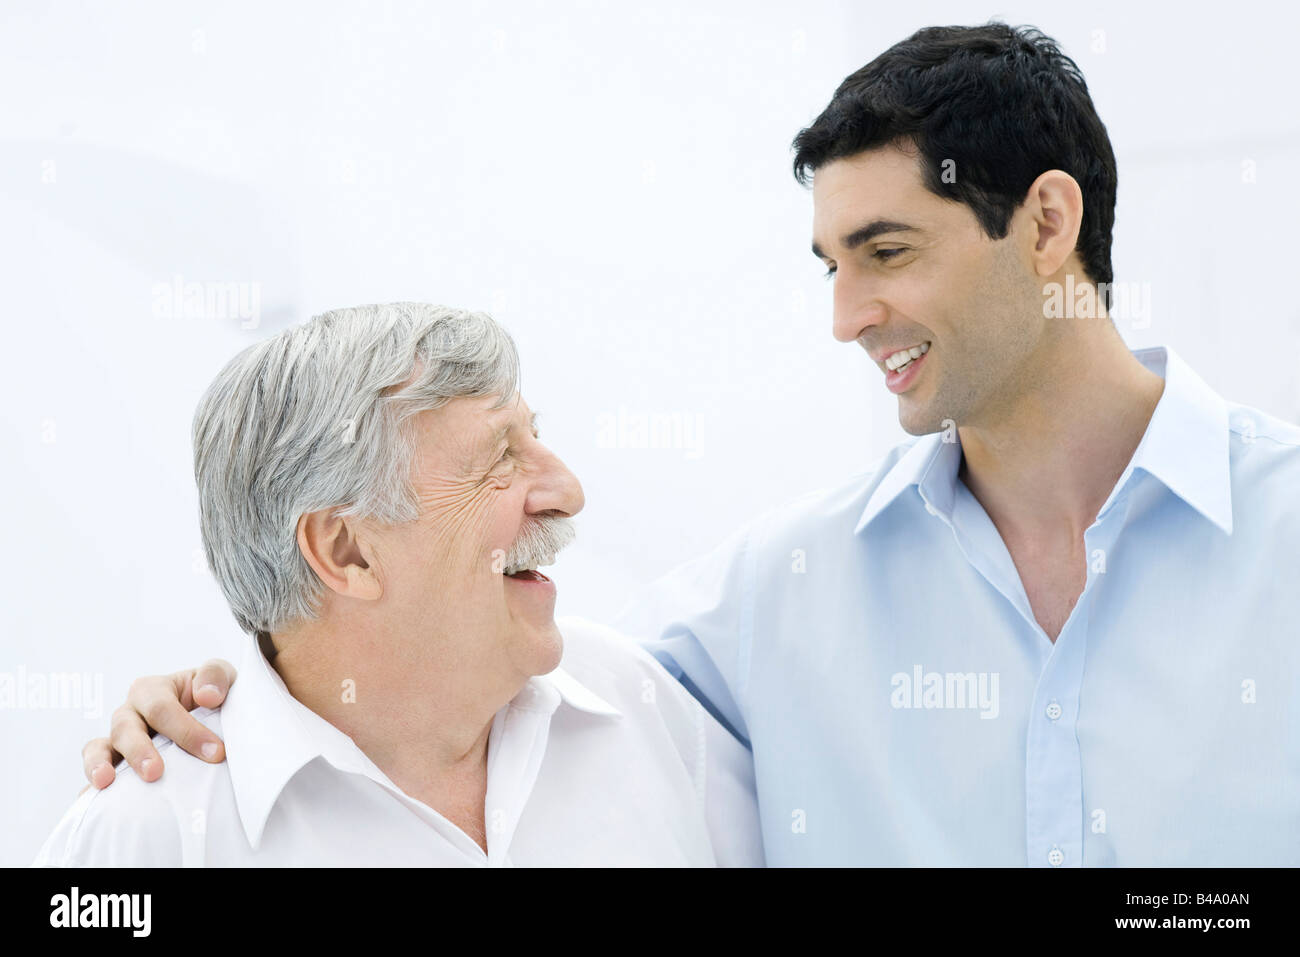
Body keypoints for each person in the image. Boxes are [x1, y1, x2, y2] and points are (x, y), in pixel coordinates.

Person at [77, 23, 1300, 865]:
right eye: (829, 267)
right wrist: (235, 690)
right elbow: (433, 653)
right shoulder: (770, 599)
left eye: (885, 253)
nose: (843, 318)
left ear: (1044, 221)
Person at [35, 302, 763, 866]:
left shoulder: (635, 705)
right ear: (347, 548)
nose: (566, 490)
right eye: (499, 457)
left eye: (536, 437)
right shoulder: (150, 833)